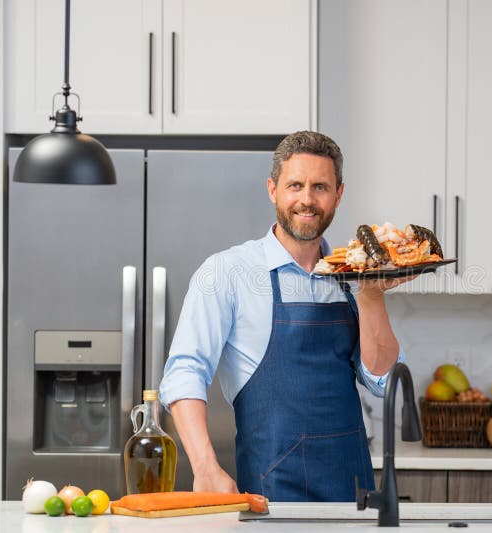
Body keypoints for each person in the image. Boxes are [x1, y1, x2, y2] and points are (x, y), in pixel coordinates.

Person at [159, 131, 409, 502]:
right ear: (272, 189)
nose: (307, 200)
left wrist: (371, 294)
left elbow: (383, 380)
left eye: (320, 187)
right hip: (269, 496)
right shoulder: (227, 272)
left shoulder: (352, 273)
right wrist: (206, 467)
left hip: (351, 495)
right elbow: (184, 374)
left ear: (338, 195)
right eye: (295, 185)